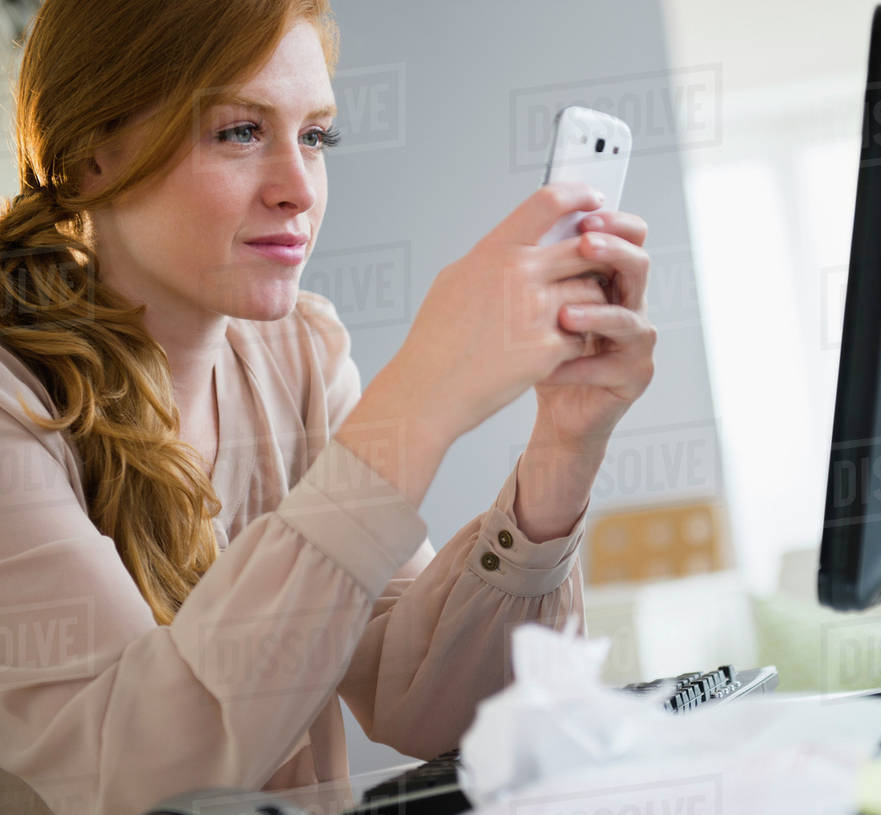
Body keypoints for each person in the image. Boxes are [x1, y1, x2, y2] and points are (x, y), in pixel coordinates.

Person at [0, 1, 655, 813]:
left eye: (315, 136)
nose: (298, 188)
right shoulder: (13, 409)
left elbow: (420, 694)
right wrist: (420, 399)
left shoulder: (299, 356)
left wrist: (561, 452)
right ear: (89, 153)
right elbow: (133, 777)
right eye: (239, 131)